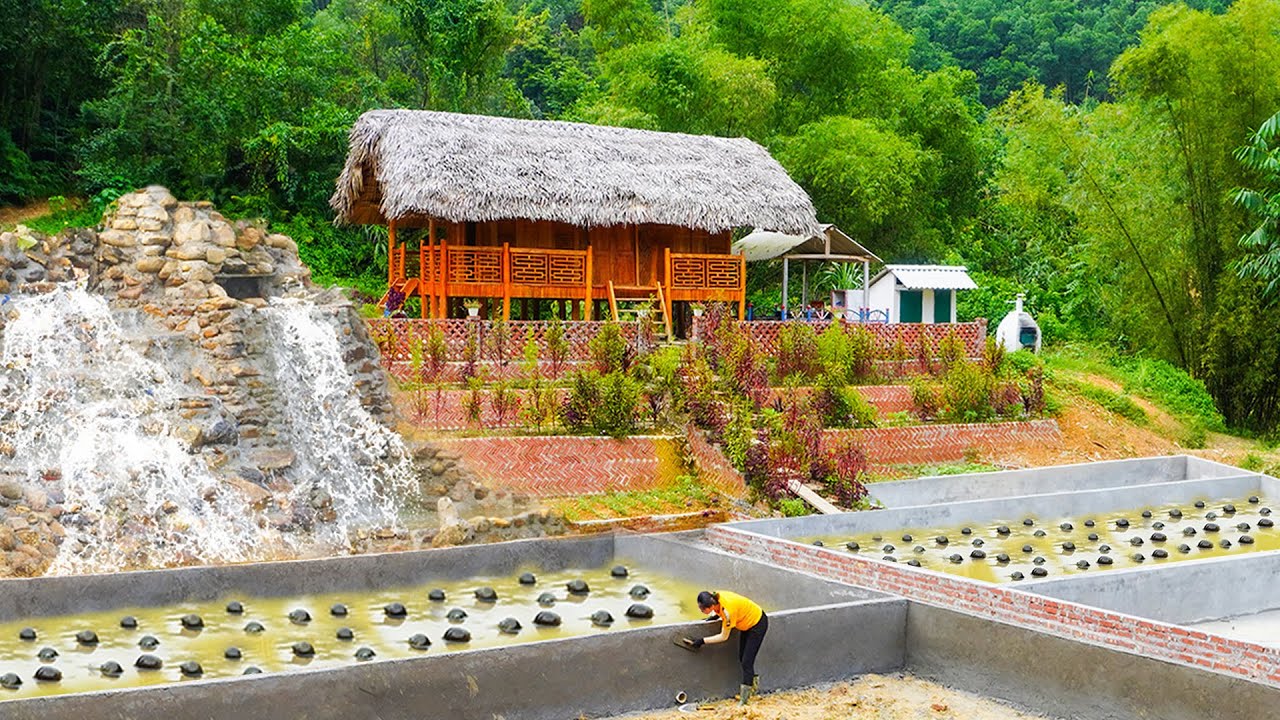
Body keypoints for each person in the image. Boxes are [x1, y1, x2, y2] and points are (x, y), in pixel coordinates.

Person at [684, 590, 768, 705]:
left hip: (757, 624)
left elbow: (723, 637)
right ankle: (752, 691)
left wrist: (701, 641)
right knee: (742, 657)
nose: (701, 611)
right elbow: (720, 610)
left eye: (703, 609)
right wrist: (714, 616)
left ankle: (744, 700)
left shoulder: (728, 612)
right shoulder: (716, 596)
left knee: (747, 662)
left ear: (711, 606)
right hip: (746, 623)